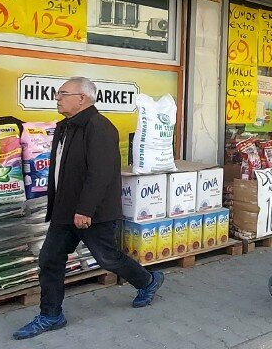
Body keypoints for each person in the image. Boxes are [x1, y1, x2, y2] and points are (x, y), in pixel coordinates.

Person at [13, 77, 165, 340]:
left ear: (82, 98)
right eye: (58, 93)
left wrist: (85, 210)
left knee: (107, 258)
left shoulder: (100, 128)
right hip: (64, 210)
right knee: (49, 259)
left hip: (92, 212)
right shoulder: (65, 127)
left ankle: (148, 281)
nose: (57, 98)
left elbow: (101, 173)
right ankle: (51, 315)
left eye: (63, 93)